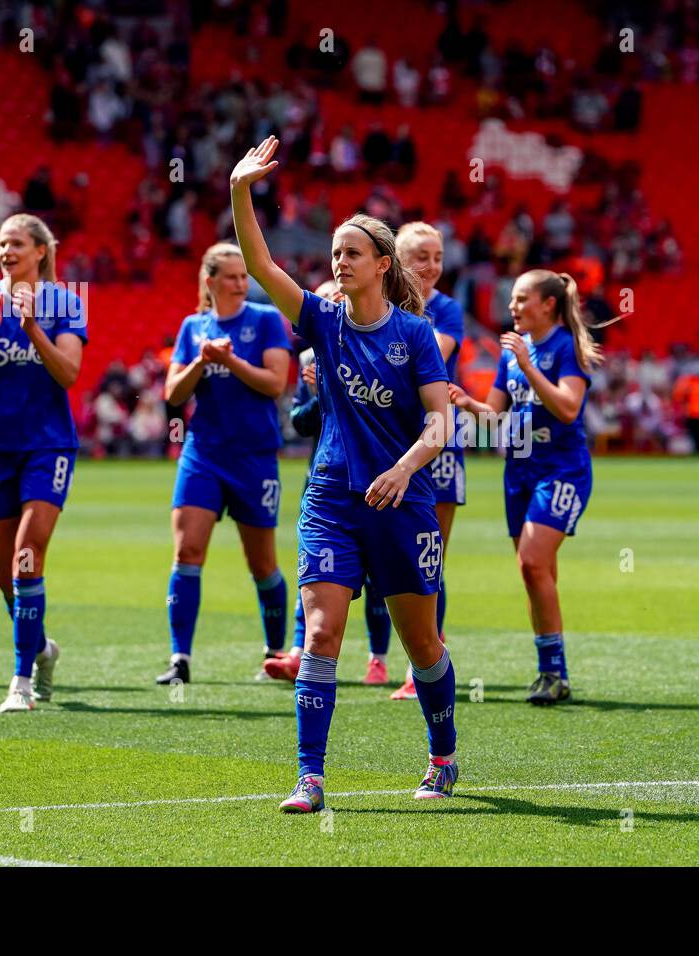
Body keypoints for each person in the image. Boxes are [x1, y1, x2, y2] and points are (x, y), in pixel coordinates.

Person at [230, 137, 458, 811]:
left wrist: (406, 465)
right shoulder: (322, 321)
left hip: (404, 501)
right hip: (331, 498)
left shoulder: (414, 335)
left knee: (422, 642)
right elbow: (260, 263)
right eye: (335, 252)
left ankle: (442, 756)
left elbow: (442, 423)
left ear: (382, 265)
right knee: (322, 632)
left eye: (352, 252)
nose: (339, 261)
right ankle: (310, 777)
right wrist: (240, 190)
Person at [0, 213, 87, 714]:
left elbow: (69, 373)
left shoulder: (65, 303)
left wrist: (30, 326)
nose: (6, 252)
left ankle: (20, 680)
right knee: (6, 576)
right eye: (2, 244)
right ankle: (43, 648)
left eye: (17, 244)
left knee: (28, 552)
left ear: (40, 252)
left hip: (48, 446)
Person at [449, 269, 600, 705]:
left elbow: (569, 408)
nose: (511, 307)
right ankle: (552, 671)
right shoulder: (510, 353)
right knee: (535, 571)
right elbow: (495, 415)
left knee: (533, 563)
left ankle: (554, 672)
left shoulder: (562, 347)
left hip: (561, 469)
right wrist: (465, 401)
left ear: (548, 305)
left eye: (520, 299)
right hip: (518, 470)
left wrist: (530, 366)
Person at [155, 243, 292, 685]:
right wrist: (201, 359)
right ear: (210, 282)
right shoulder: (193, 327)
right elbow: (173, 395)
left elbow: (274, 384)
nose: (240, 283)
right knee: (187, 551)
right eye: (231, 276)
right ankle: (180, 659)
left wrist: (230, 359)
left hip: (254, 456)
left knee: (262, 563)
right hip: (203, 455)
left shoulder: (266, 320)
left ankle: (274, 654)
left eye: (243, 275)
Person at [264, 284, 395, 686]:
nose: (334, 304)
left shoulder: (381, 345)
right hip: (324, 477)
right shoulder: (311, 355)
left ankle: (378, 658)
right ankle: (302, 651)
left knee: (377, 578)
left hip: (374, 475)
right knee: (315, 570)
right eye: (327, 300)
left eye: (337, 298)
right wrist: (321, 394)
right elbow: (301, 423)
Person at [388, 221, 466, 700]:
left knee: (429, 556)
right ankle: (393, 656)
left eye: (437, 256)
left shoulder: (446, 309)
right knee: (392, 556)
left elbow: (431, 356)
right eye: (421, 257)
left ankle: (425, 665)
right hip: (387, 442)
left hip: (436, 442)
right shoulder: (378, 304)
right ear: (395, 260)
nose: (432, 266)